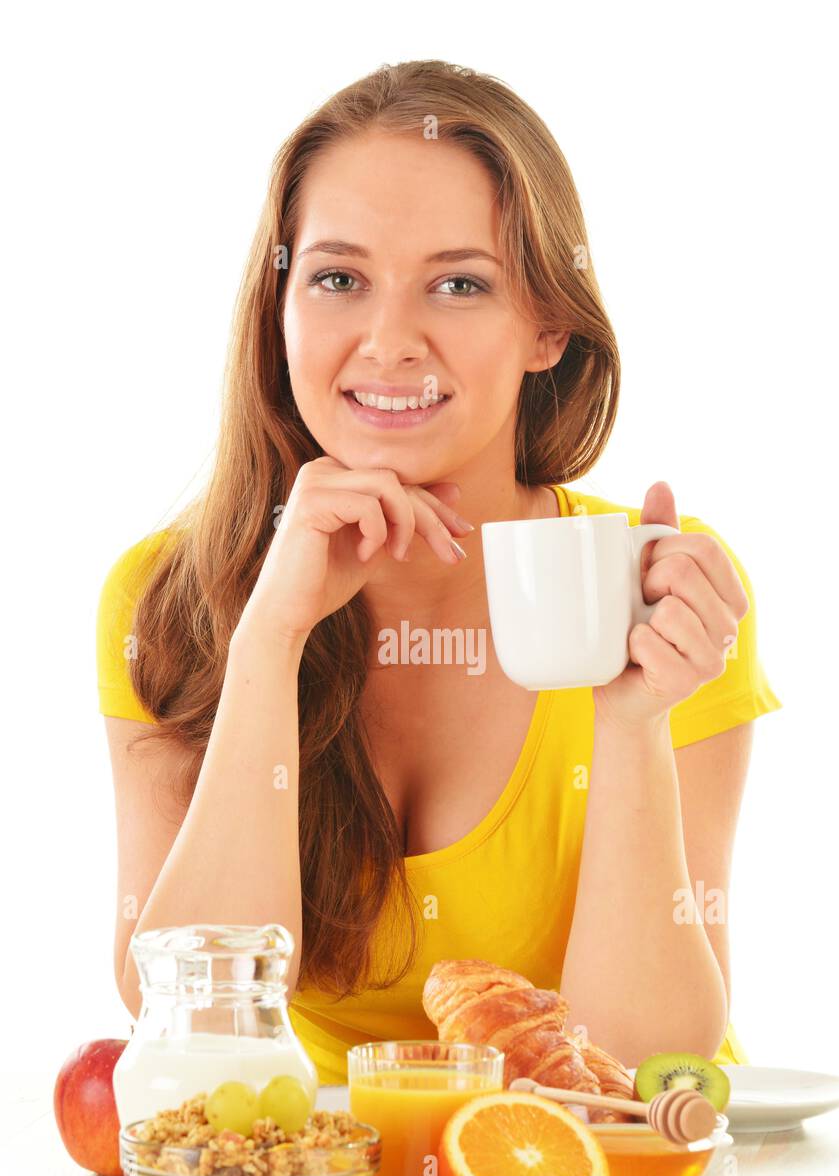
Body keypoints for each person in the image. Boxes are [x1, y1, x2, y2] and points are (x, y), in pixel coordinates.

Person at [97, 60, 781, 1084]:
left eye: (459, 283)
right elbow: (195, 1029)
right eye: (338, 279)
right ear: (278, 308)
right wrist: (269, 642)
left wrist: (632, 722)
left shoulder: (650, 588)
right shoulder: (168, 600)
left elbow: (645, 1068)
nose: (389, 342)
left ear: (548, 324)